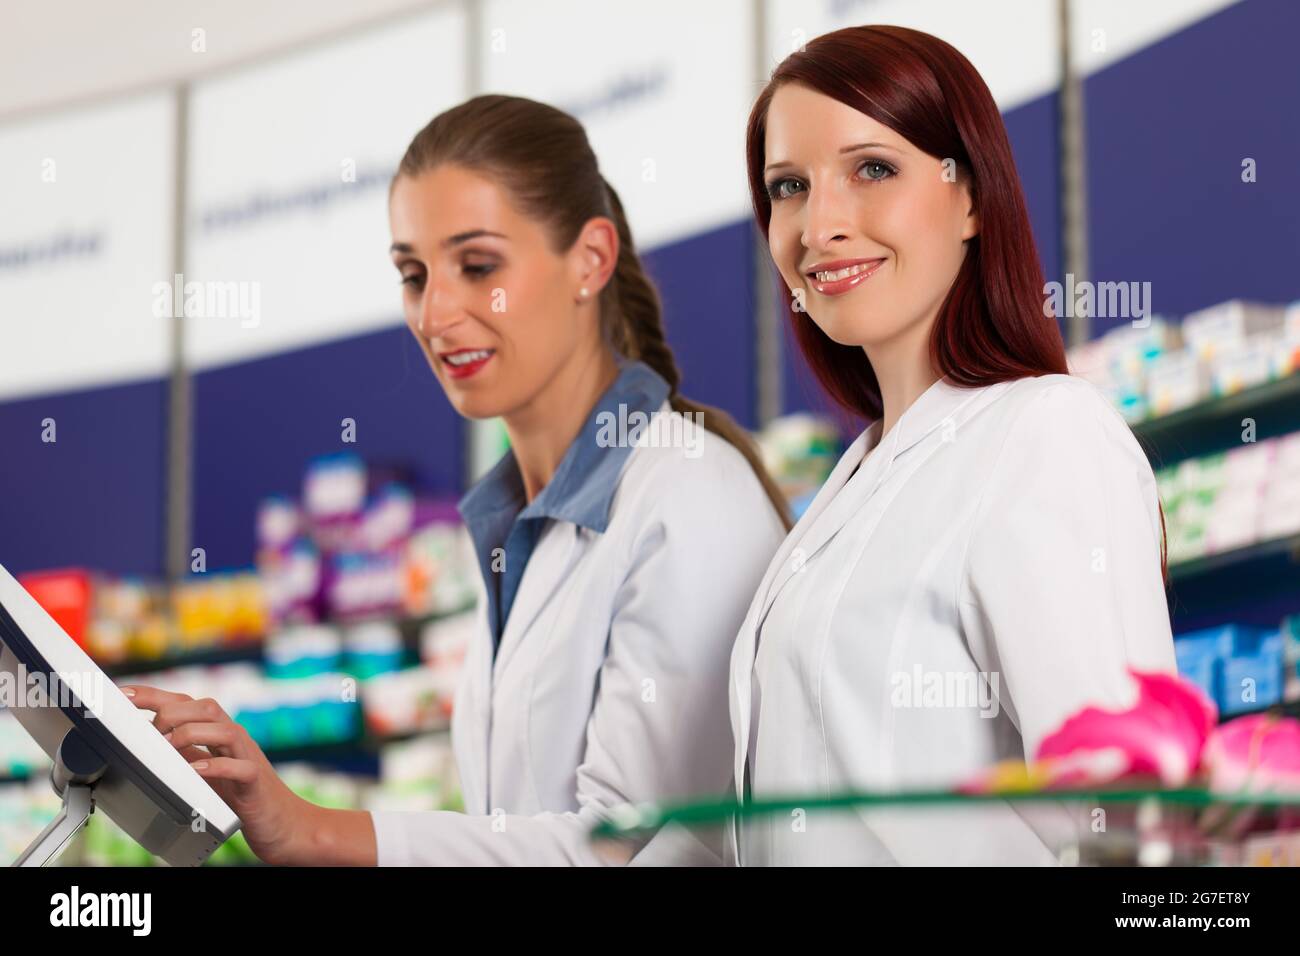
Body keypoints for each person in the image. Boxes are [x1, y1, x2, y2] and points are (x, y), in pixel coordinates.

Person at [125, 94, 788, 866]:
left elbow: (616, 850)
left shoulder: (688, 494)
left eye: (478, 267)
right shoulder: (515, 525)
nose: (436, 314)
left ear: (591, 259)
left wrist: (309, 828)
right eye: (413, 274)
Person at [729, 25, 1176, 865]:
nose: (818, 225)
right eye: (788, 186)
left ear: (969, 197)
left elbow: (1126, 824)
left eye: (871, 169)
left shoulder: (1048, 434)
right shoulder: (852, 484)